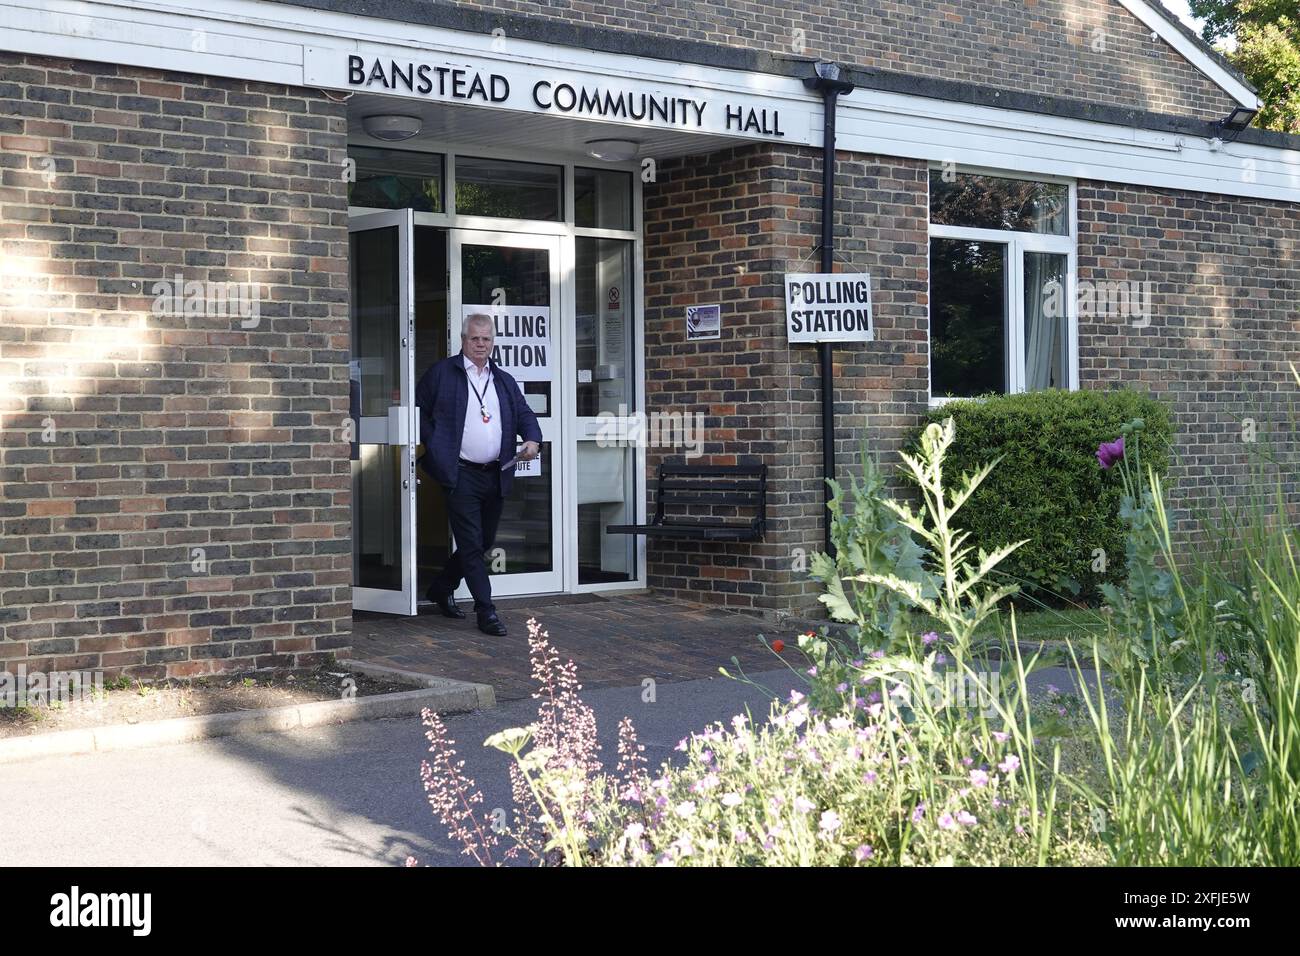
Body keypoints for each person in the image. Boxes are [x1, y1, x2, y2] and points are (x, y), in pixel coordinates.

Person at [416, 313, 541, 636]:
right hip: (460, 474)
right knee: (471, 545)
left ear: (492, 341)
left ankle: (442, 587)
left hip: (496, 473)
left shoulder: (502, 379)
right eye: (475, 338)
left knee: (482, 542)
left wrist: (532, 439)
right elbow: (419, 412)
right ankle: (486, 611)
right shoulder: (443, 373)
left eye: (486, 339)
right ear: (463, 339)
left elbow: (524, 413)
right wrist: (437, 445)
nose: (481, 344)